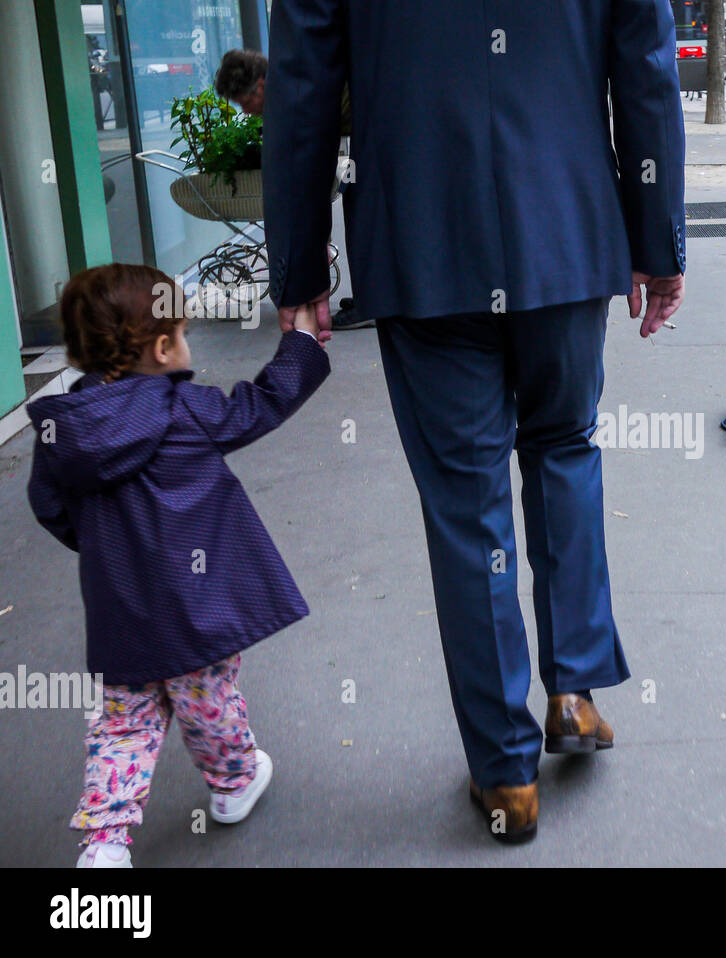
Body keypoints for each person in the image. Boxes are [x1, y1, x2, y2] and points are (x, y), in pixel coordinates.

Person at [263, 1, 686, 843]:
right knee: (565, 447)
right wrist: (657, 240)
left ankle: (504, 773)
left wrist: (301, 262)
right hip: (562, 226)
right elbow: (647, 69)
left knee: (466, 502)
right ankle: (572, 689)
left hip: (422, 238)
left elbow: (303, 85)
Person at [26, 263, 330, 867]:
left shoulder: (61, 431)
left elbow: (50, 507)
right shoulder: (181, 409)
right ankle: (234, 783)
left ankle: (105, 845)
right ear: (162, 348)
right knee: (207, 700)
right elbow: (259, 405)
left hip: (121, 611)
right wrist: (299, 342)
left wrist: (102, 547)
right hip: (199, 605)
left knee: (123, 723)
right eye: (184, 335)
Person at [214, 50, 370, 331]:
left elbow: (311, 169)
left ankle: (371, 303)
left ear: (260, 85)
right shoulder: (292, 82)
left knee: (365, 214)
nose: (246, 111)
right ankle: (370, 299)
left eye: (246, 102)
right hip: (368, 134)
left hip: (376, 133)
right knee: (359, 208)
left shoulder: (293, 95)